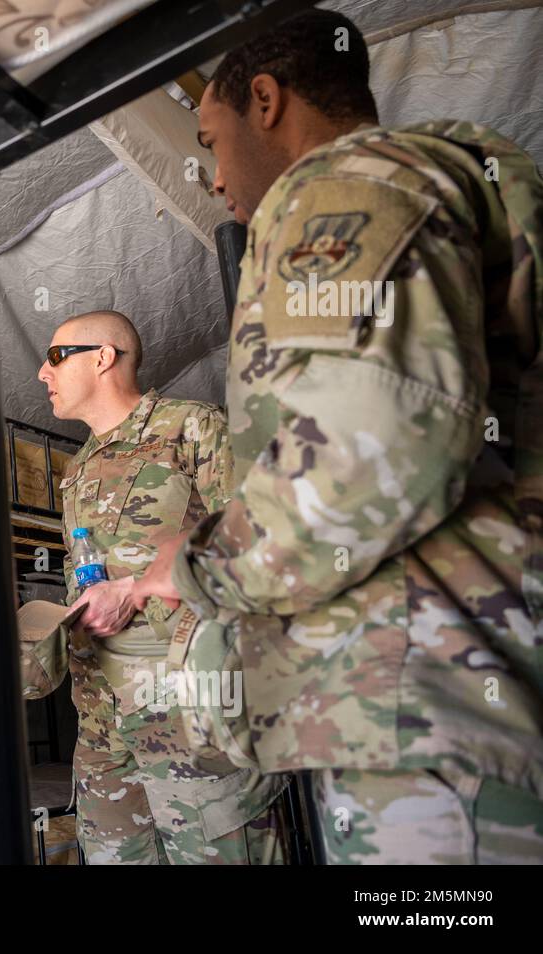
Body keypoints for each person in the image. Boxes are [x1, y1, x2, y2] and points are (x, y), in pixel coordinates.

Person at [134, 8, 543, 862]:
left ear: (266, 99)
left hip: (422, 718)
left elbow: (373, 447)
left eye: (211, 141)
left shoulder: (341, 186)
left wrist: (200, 566)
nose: (212, 177)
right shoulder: (465, 191)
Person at [22, 310, 284, 864]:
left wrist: (138, 589)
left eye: (53, 358)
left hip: (190, 714)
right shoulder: (77, 470)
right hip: (101, 725)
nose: (42, 375)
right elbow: (85, 573)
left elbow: (255, 543)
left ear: (102, 357)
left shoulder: (193, 427)